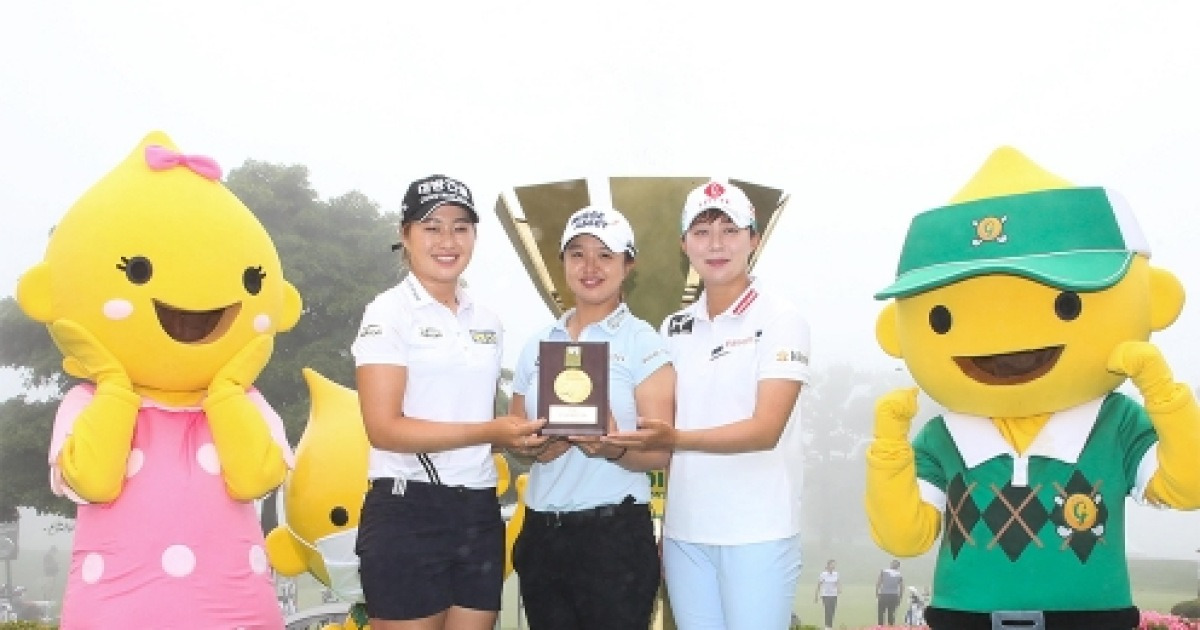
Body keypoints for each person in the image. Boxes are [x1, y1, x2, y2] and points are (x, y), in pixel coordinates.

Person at [607, 179, 812, 629]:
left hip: (758, 532)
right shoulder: (674, 328)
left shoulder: (781, 319)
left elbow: (765, 429)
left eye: (730, 229)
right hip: (686, 532)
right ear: (684, 245)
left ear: (753, 239)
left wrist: (676, 438)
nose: (715, 244)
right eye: (701, 232)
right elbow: (655, 423)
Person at [352, 174, 545, 630]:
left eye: (460, 227)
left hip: (478, 510)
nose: (447, 240)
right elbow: (384, 428)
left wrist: (527, 438)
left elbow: (479, 424)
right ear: (406, 235)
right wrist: (490, 432)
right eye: (431, 226)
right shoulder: (388, 311)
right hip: (407, 509)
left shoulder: (489, 322)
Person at [508, 205, 676, 630]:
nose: (590, 267)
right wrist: (536, 448)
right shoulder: (537, 345)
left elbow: (660, 452)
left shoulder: (644, 343)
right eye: (577, 253)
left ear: (627, 264)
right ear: (563, 262)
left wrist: (613, 449)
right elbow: (517, 439)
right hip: (543, 533)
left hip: (613, 536)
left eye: (605, 255)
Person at [814, 559, 840, 630]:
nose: (833, 566)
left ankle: (830, 626)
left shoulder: (836, 574)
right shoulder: (823, 574)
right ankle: (827, 627)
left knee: (832, 610)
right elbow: (819, 585)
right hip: (825, 595)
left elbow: (837, 582)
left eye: (834, 564)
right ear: (828, 565)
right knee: (828, 610)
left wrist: (839, 589)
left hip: (834, 595)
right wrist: (816, 595)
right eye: (832, 564)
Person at [876, 559, 903, 625]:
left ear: (891, 564)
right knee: (891, 613)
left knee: (881, 613)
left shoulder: (884, 571)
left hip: (884, 594)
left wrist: (877, 593)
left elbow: (878, 583)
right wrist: (900, 597)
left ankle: (880, 627)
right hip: (894, 595)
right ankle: (890, 627)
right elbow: (902, 587)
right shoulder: (899, 574)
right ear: (898, 567)